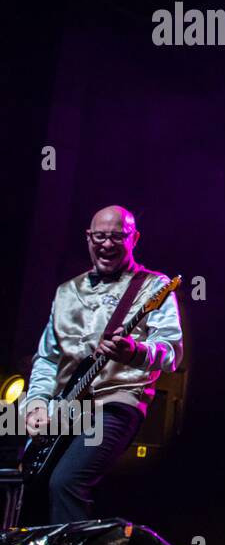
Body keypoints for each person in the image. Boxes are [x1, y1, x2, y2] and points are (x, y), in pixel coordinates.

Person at [19, 205, 183, 523]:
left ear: (134, 238)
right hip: (65, 408)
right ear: (88, 237)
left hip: (115, 404)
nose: (107, 244)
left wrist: (134, 352)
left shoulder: (153, 286)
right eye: (100, 236)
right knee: (34, 488)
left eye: (117, 237)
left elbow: (172, 353)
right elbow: (48, 358)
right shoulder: (67, 292)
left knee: (66, 482)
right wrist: (37, 403)